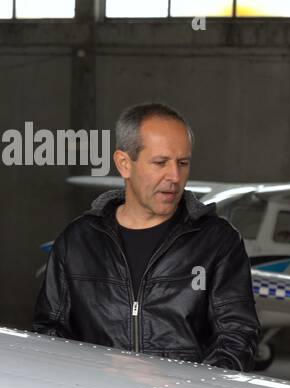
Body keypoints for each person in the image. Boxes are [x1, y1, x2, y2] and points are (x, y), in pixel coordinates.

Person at [33, 102, 259, 370]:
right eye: (160, 163)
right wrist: (101, 374)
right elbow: (49, 334)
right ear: (124, 164)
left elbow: (238, 336)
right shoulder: (77, 241)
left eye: (183, 163)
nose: (174, 176)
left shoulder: (218, 241)